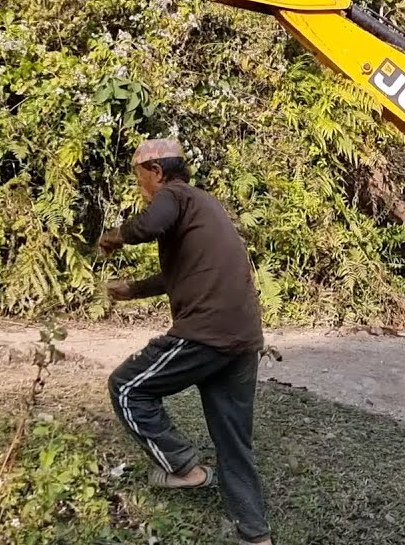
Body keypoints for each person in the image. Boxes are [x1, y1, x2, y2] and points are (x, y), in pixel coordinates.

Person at [97, 138, 272, 545]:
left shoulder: (174, 194)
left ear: (156, 171)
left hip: (206, 332)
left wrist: (115, 236)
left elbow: (148, 225)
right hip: (243, 338)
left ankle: (184, 468)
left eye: (141, 180)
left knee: (126, 387)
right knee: (233, 442)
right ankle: (255, 534)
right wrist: (132, 290)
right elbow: (178, 275)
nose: (142, 188)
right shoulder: (204, 208)